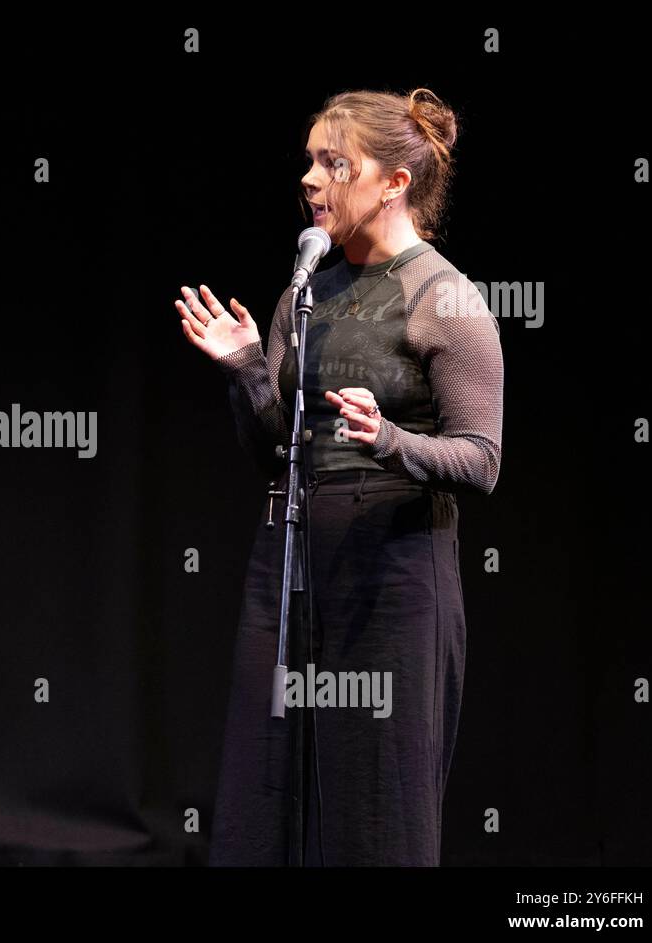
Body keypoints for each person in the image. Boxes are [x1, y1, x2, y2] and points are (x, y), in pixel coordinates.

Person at [175, 88, 503, 865]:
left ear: (393, 181)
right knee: (266, 793)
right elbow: (274, 449)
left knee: (376, 807)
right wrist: (249, 372)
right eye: (310, 163)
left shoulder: (443, 297)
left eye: (334, 163)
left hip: (392, 573)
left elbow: (483, 460)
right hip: (289, 566)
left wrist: (391, 440)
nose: (312, 181)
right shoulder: (308, 290)